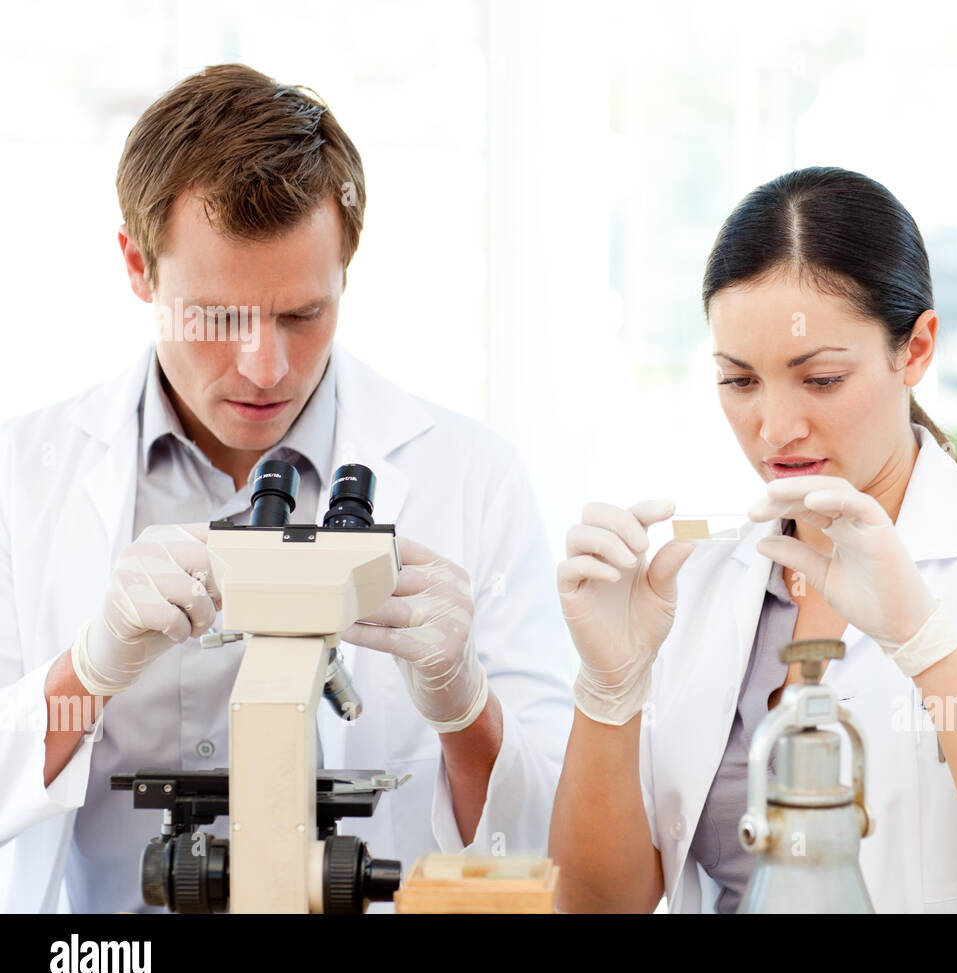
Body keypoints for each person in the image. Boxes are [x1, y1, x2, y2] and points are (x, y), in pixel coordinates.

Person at [0, 64, 572, 913]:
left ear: (345, 271)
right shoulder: (22, 476)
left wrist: (464, 707)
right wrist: (83, 675)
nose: (265, 367)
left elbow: (547, 847)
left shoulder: (474, 479)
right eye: (217, 316)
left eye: (303, 315)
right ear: (137, 266)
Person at [549, 166, 957, 913]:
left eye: (820, 379)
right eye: (740, 381)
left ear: (916, 349)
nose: (774, 429)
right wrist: (609, 693)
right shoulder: (695, 587)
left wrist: (929, 647)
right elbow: (595, 906)